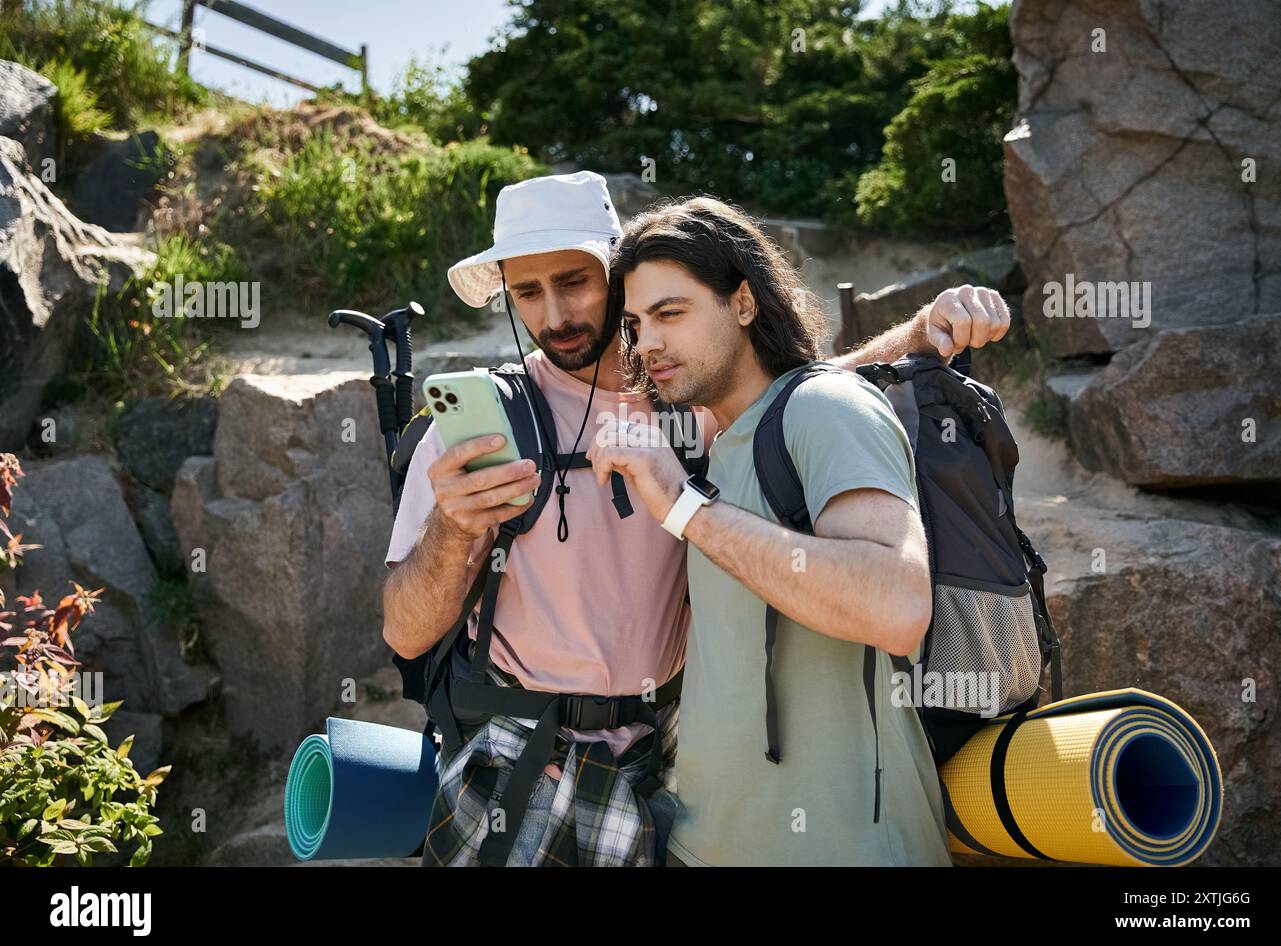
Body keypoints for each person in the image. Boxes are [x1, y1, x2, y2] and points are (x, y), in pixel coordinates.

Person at [383, 173, 1011, 866]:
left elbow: (797, 396)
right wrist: (452, 527)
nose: (554, 313)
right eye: (527, 293)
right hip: (527, 766)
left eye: (574, 282)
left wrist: (916, 338)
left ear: (618, 277)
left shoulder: (690, 394)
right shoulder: (472, 432)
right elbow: (406, 633)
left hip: (664, 776)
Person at [590, 196, 1011, 865]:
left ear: (745, 303)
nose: (649, 343)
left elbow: (896, 606)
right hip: (706, 846)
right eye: (636, 324)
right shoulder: (727, 441)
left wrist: (680, 506)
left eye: (671, 312)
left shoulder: (823, 409)